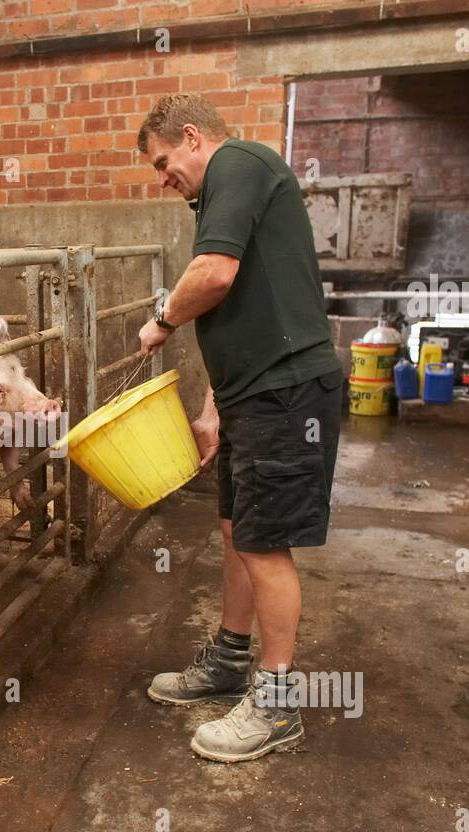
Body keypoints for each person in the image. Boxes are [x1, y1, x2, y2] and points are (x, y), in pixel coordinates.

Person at [135, 93, 343, 763]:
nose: (162, 178)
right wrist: (215, 407)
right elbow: (252, 302)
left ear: (192, 137)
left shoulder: (239, 163)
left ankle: (279, 707)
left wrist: (161, 318)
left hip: (287, 395)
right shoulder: (228, 186)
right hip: (254, 395)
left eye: (163, 162)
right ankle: (229, 660)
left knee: (264, 541)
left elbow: (215, 276)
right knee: (237, 529)